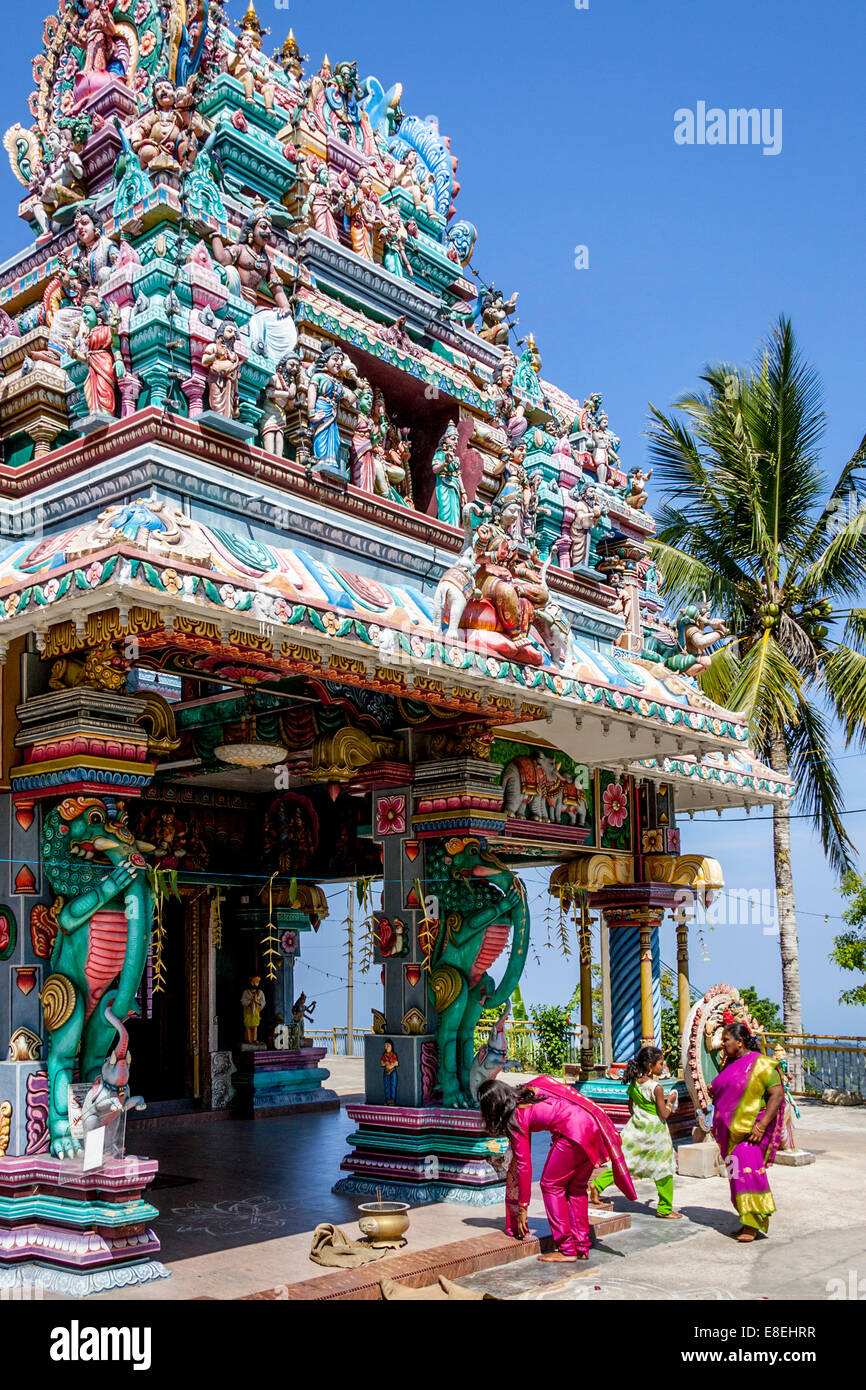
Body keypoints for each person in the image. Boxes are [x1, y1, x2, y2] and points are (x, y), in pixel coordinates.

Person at [478, 1074, 635, 1263]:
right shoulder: (532, 1088)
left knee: (550, 1185)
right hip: (591, 1126)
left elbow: (524, 1165)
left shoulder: (517, 1116)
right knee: (575, 1189)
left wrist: (522, 1207)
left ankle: (567, 1249)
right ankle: (581, 1245)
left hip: (572, 1133)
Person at [710, 1020, 786, 1242]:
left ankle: (753, 1225)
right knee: (735, 1177)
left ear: (740, 1042)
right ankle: (745, 1218)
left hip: (751, 1131)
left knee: (747, 1174)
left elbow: (777, 1094)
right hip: (730, 1132)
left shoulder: (763, 1065)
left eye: (726, 1040)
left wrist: (761, 1126)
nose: (723, 1044)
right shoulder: (731, 1064)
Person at [590, 1045, 681, 1219]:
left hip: (636, 1129)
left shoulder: (634, 1083)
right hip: (656, 1133)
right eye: (661, 1064)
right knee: (663, 1169)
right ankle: (664, 1208)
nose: (663, 1067)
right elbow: (664, 1114)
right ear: (650, 1066)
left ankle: (597, 1185)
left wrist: (640, 1118)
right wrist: (671, 1100)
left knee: (624, 1163)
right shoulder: (656, 1088)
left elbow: (631, 1107)